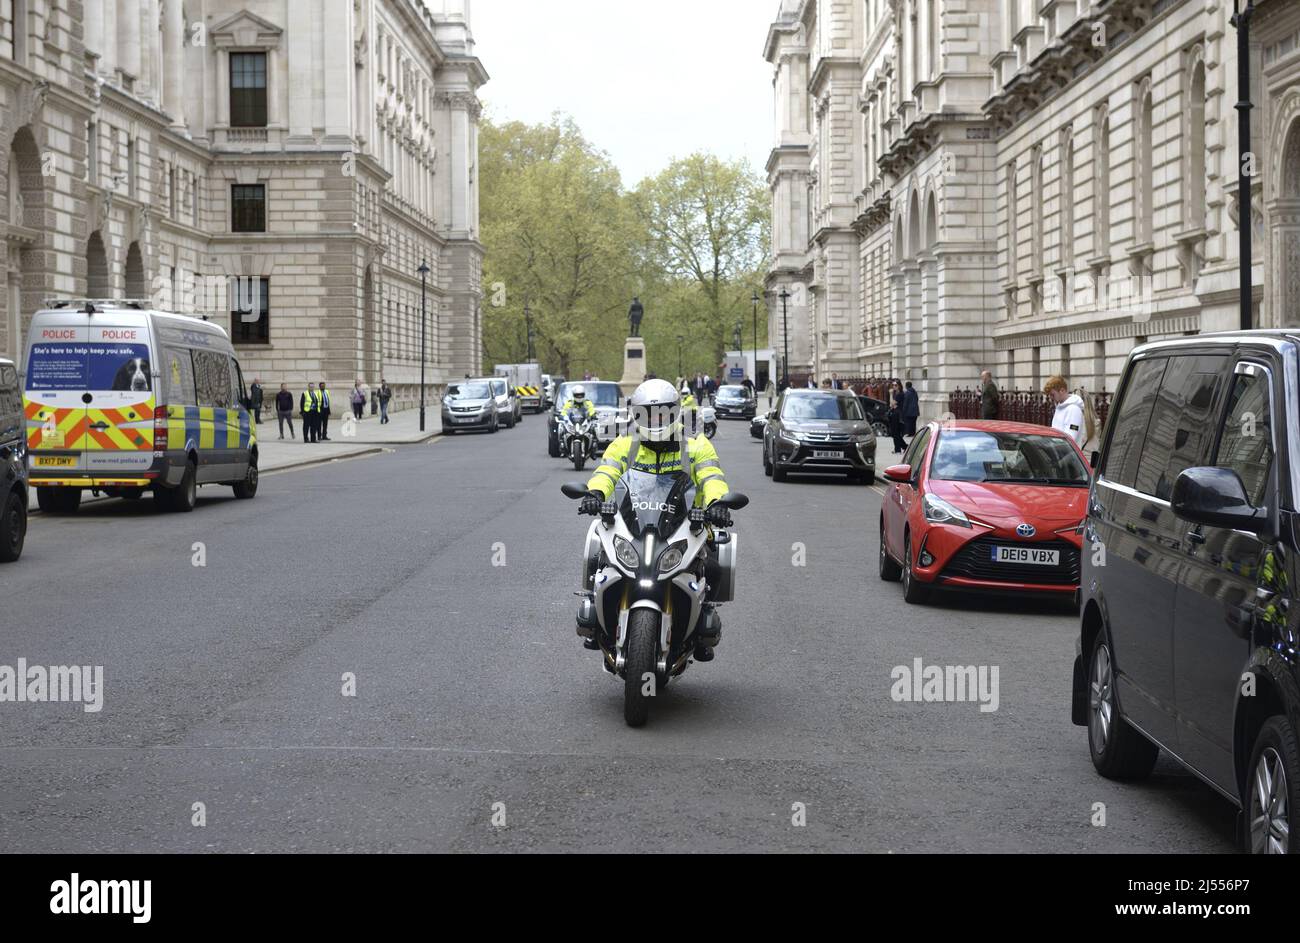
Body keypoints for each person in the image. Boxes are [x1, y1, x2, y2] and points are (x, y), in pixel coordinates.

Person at [578, 379, 732, 661]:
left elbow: (711, 477)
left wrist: (717, 503)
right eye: (648, 414)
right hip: (634, 520)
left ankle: (701, 634)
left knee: (712, 568)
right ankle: (596, 623)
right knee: (600, 554)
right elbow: (607, 470)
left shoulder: (695, 443)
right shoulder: (627, 442)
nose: (655, 420)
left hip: (685, 523)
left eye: (662, 413)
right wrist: (595, 493)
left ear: (675, 413)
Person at [1044, 375, 1093, 448]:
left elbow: (1070, 438)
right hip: (1059, 453)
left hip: (1068, 456)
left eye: (1052, 394)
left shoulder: (1074, 410)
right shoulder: (1060, 407)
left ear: (1062, 391)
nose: (1051, 398)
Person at [887, 380, 906, 454]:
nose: (894, 386)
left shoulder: (900, 394)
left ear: (899, 386)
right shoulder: (896, 394)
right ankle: (903, 447)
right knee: (894, 433)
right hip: (894, 413)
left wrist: (891, 394)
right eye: (893, 385)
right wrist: (893, 403)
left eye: (895, 385)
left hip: (898, 415)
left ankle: (899, 449)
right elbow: (891, 405)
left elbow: (892, 403)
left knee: (896, 432)